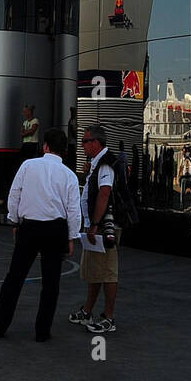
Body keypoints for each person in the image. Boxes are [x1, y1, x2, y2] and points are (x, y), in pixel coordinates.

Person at [0, 128, 81, 341]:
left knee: (14, 277)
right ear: (64, 150)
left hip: (29, 227)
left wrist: (14, 220)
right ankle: (42, 331)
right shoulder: (69, 175)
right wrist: (71, 237)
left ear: (45, 146)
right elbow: (73, 210)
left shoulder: (28, 165)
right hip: (55, 230)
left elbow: (14, 195)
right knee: (51, 283)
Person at [68, 124, 121, 334]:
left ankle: (108, 317)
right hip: (96, 225)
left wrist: (95, 224)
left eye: (85, 141)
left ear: (96, 142)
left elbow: (105, 193)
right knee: (95, 270)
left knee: (107, 271)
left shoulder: (105, 164)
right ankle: (88, 310)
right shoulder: (97, 164)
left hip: (103, 226)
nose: (82, 145)